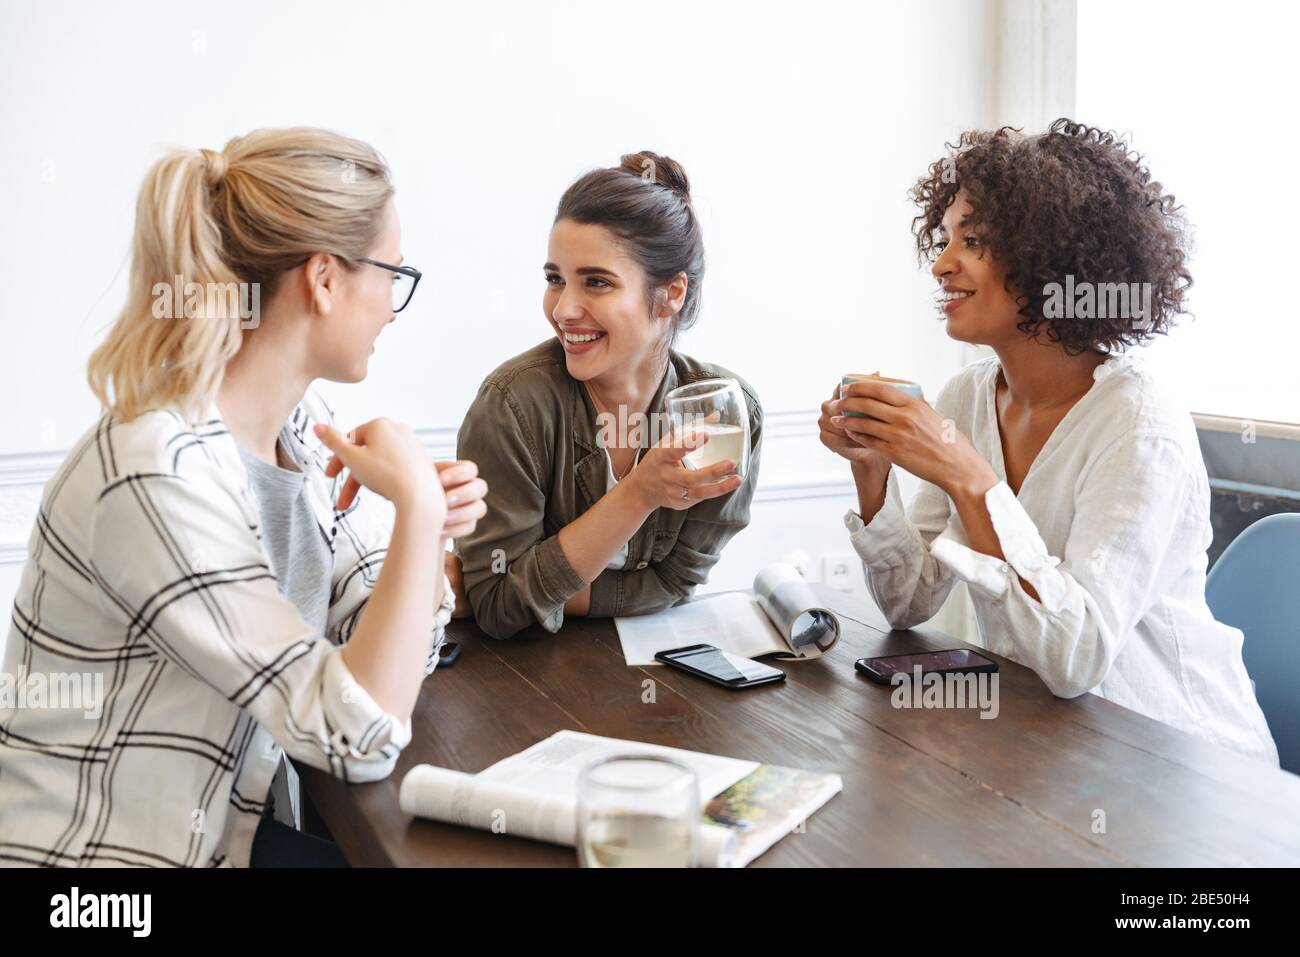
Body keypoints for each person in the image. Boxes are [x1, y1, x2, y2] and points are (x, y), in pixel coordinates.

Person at [0, 128, 488, 867]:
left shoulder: (295, 420)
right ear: (324, 279)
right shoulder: (156, 473)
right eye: (392, 272)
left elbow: (366, 626)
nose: (394, 304)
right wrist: (418, 516)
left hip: (230, 828)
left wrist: (425, 534)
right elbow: (360, 733)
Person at [819, 119, 1277, 763]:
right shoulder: (967, 399)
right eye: (945, 237)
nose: (942, 263)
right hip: (1045, 742)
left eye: (972, 240)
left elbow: (1077, 656)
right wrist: (873, 473)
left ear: (1049, 260)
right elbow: (908, 603)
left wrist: (971, 477)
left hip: (1177, 762)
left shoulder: (1138, 425)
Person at [451, 152, 761, 640]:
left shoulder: (728, 410)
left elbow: (677, 582)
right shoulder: (512, 407)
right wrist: (638, 493)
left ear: (671, 293)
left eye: (596, 281)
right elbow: (500, 607)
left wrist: (539, 590)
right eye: (556, 279)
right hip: (520, 688)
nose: (564, 309)